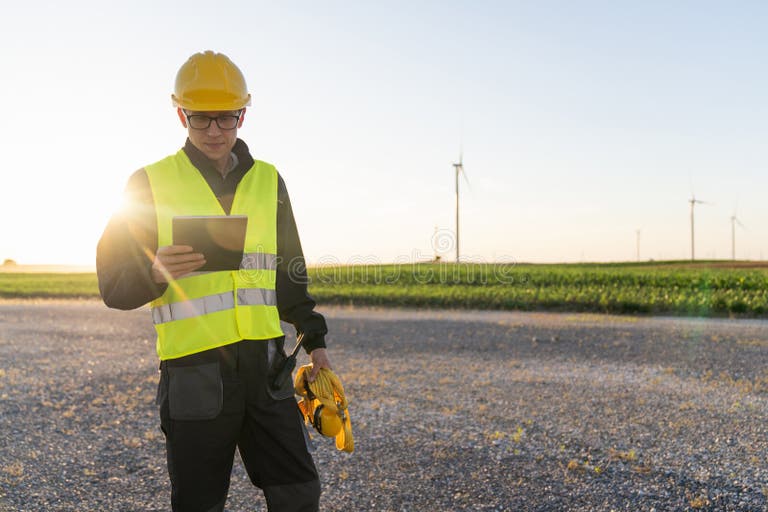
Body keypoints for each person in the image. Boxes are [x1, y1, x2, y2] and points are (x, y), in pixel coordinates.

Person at [96, 50, 330, 512]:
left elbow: (290, 274)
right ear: (180, 113)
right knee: (199, 503)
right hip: (194, 373)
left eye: (227, 119)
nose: (215, 133)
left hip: (267, 369)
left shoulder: (269, 181)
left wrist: (315, 339)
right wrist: (154, 272)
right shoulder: (148, 183)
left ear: (244, 114)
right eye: (201, 120)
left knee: (299, 492)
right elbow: (112, 286)